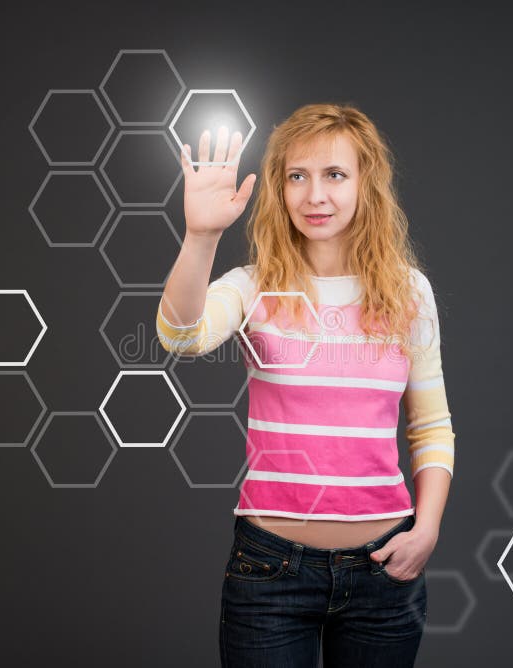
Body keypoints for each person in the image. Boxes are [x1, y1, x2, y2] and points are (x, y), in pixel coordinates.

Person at [156, 103, 455, 667]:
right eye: (298, 176)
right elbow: (180, 336)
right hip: (270, 573)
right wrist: (200, 236)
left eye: (334, 175)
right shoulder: (252, 287)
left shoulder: (410, 293)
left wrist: (428, 529)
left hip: (383, 574)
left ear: (367, 185)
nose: (314, 195)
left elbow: (432, 425)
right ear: (280, 188)